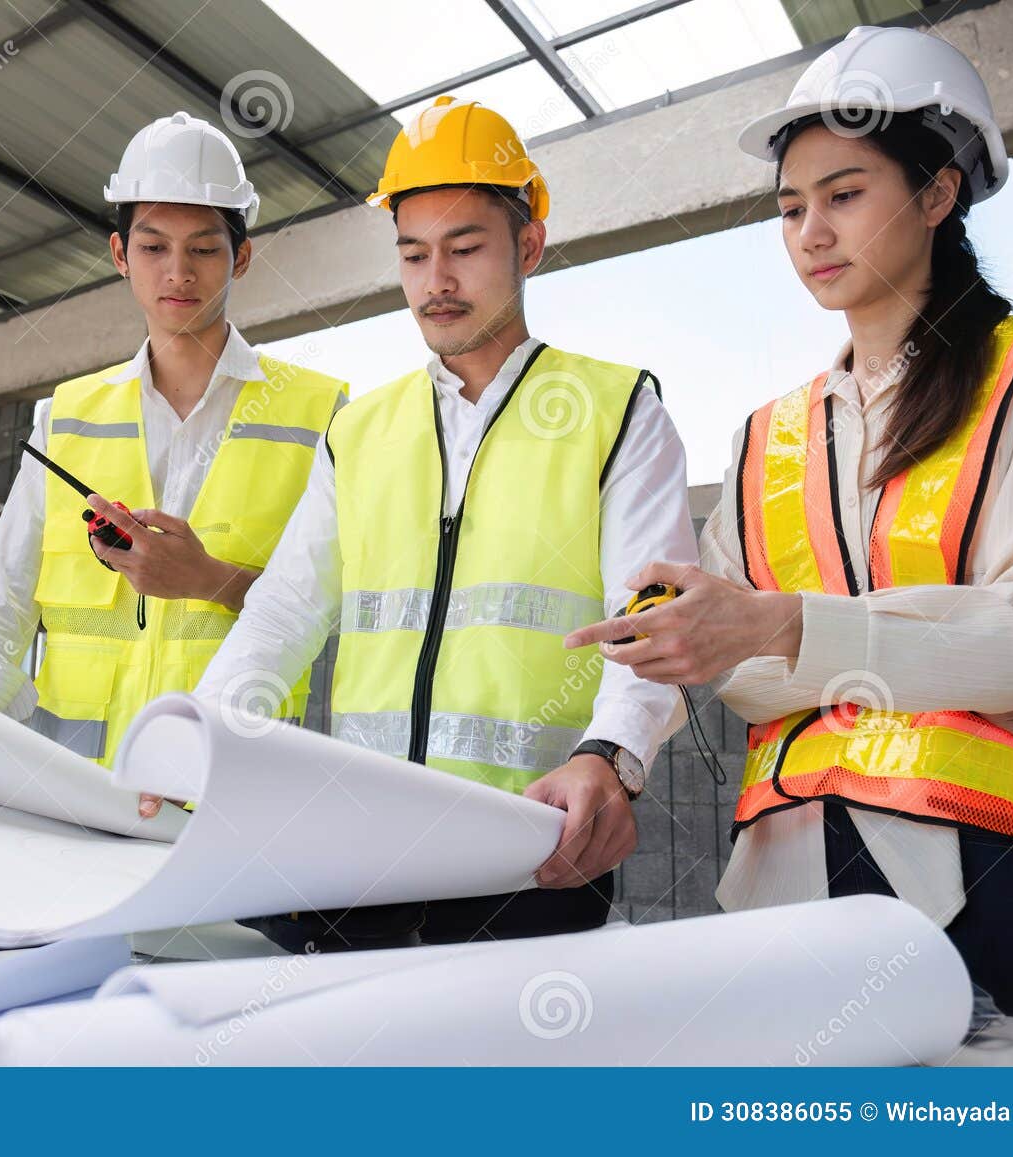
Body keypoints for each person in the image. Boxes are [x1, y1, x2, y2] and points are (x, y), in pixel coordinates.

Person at [564, 27, 1013, 1027]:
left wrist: (793, 632)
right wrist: (953, 671)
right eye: (789, 208)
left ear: (936, 193)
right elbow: (739, 676)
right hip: (791, 886)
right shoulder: (764, 434)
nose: (809, 232)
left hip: (996, 876)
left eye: (843, 194)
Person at [186, 96, 696, 953]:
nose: (437, 282)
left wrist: (613, 754)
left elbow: (653, 613)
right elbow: (282, 613)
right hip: (362, 852)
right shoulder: (359, 430)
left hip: (531, 850)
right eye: (415, 254)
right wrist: (206, 736)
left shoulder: (615, 410)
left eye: (465, 249)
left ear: (527, 247)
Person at [0, 113, 346, 911]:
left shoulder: (320, 412)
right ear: (118, 255)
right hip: (77, 805)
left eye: (204, 247)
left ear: (241, 255)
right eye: (155, 246)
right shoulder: (66, 414)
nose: (180, 272)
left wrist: (209, 578)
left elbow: (346, 609)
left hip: (237, 806)